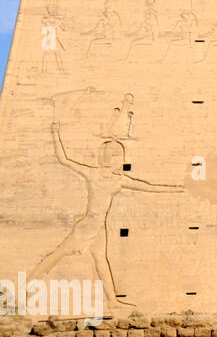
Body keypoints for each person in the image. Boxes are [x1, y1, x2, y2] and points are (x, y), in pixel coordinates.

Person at [32, 124, 184, 314]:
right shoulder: (95, 174)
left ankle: (112, 300)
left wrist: (178, 188)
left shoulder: (116, 179)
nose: (116, 159)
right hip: (88, 225)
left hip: (99, 226)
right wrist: (55, 134)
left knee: (101, 261)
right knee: (57, 255)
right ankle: (25, 288)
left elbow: (149, 186)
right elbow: (64, 160)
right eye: (114, 156)